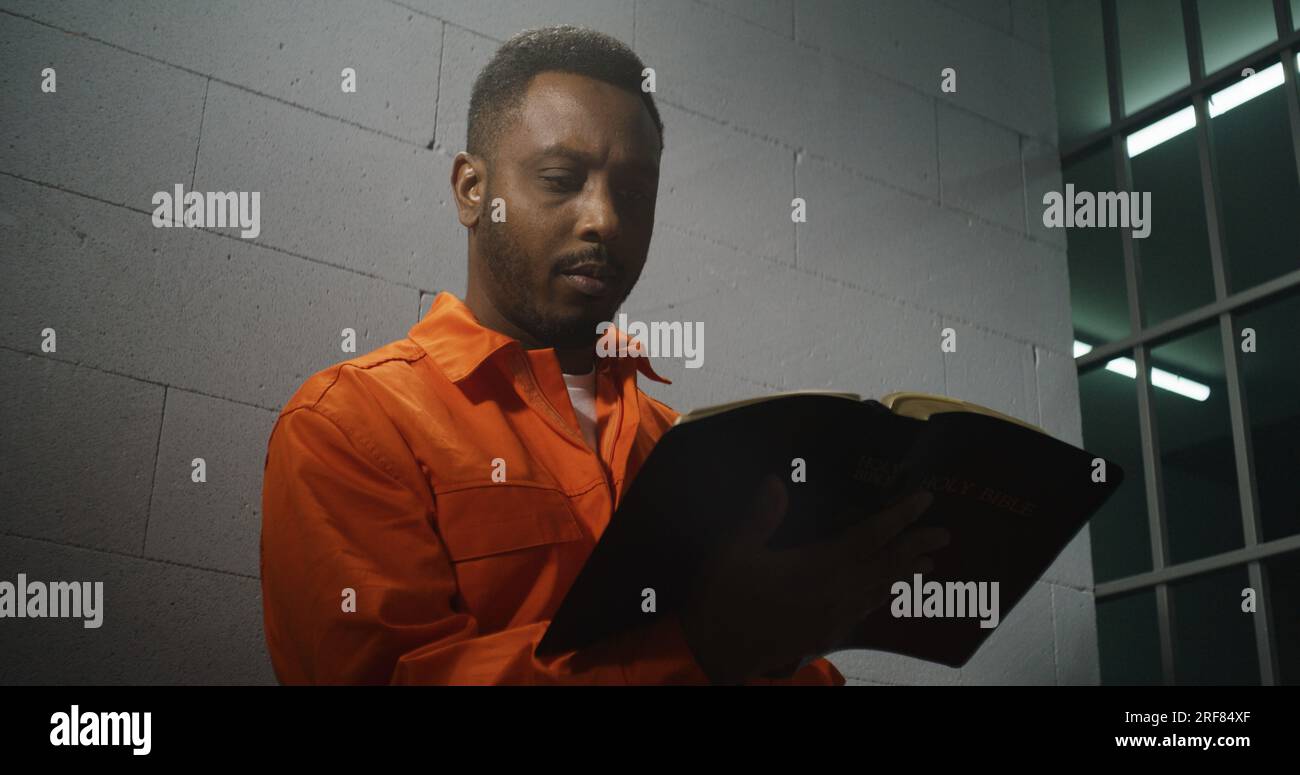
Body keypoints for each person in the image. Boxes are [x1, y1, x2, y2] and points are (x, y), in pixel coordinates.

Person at [260, 25, 948, 685]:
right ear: (473, 190)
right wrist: (702, 647)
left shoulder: (684, 444)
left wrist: (793, 633)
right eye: (561, 179)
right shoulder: (351, 423)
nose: (605, 220)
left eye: (634, 191)